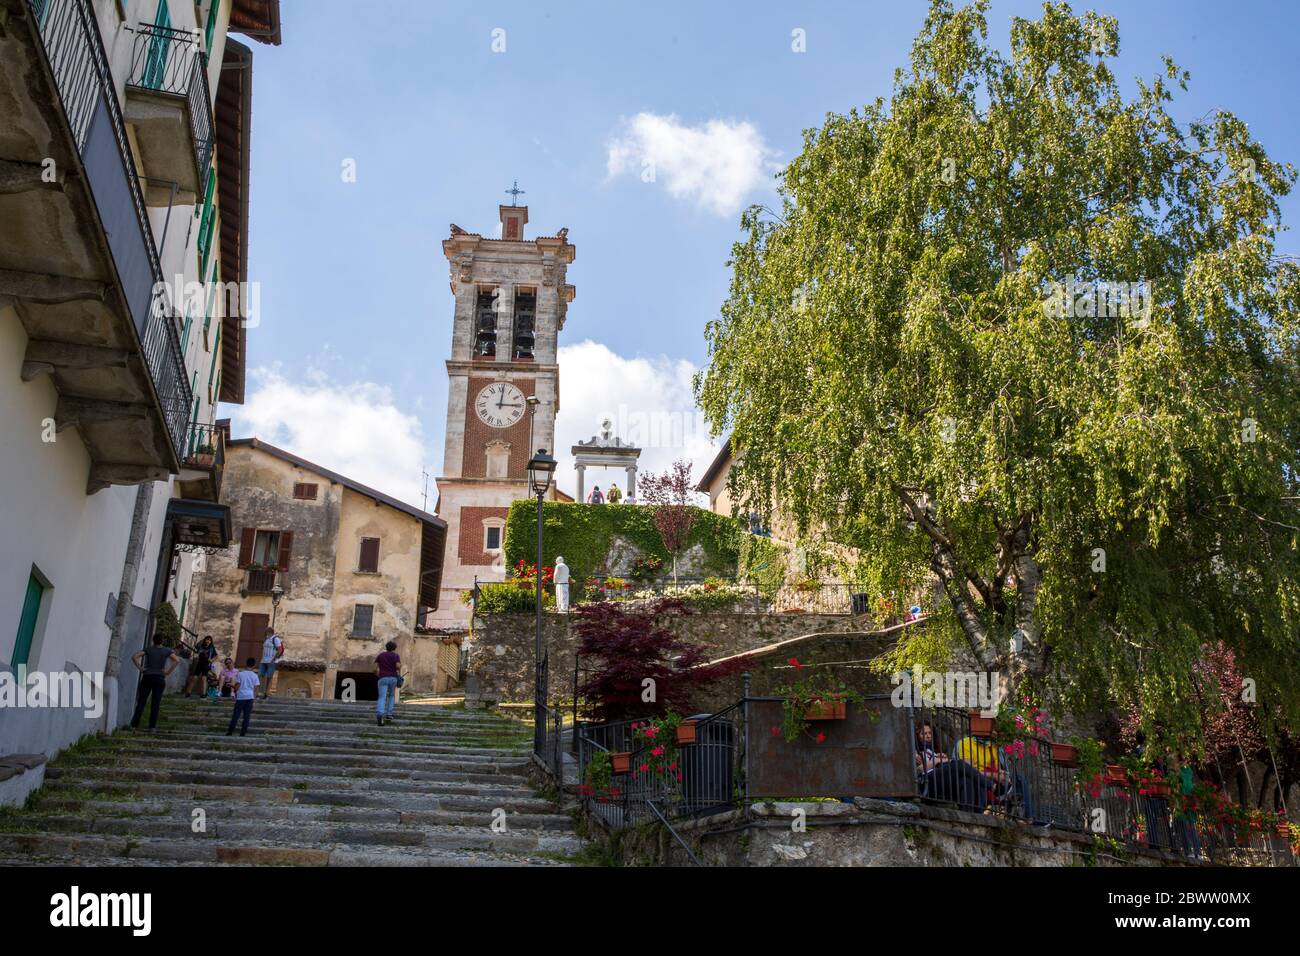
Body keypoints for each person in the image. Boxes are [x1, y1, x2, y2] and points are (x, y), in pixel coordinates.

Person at [915, 721, 994, 813]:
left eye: (929, 733)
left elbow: (942, 763)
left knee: (966, 780)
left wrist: (940, 758)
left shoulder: (933, 751)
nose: (928, 736)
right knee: (959, 764)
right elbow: (919, 770)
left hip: (940, 780)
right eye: (924, 733)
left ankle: (969, 815)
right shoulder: (915, 750)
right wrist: (937, 760)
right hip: (926, 782)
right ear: (917, 735)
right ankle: (990, 784)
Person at [130, 634, 182, 731]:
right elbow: (177, 660)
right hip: (159, 678)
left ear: (153, 641)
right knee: (156, 703)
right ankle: (152, 726)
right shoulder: (167, 650)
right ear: (162, 641)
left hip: (147, 677)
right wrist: (168, 672)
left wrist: (140, 668)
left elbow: (134, 657)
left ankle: (134, 725)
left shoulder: (148, 649)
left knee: (141, 701)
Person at [226, 657, 260, 736]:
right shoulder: (255, 676)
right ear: (254, 665)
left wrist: (231, 686)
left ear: (246, 664)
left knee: (236, 715)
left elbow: (237, 687)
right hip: (250, 697)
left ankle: (230, 732)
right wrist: (254, 698)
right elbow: (256, 688)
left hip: (241, 697)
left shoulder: (241, 674)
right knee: (246, 716)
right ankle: (243, 733)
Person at [375, 641, 402, 726]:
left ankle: (380, 713)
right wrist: (399, 668)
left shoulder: (381, 655)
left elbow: (376, 669)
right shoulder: (395, 656)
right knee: (391, 695)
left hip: (382, 677)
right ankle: (389, 714)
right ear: (394, 648)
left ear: (386, 647)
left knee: (382, 697)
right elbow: (397, 666)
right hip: (392, 678)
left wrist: (379, 675)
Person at [258, 628, 284, 699]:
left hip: (271, 661)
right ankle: (259, 692)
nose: (265, 633)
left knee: (269, 677)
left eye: (266, 632)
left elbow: (279, 650)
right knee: (260, 675)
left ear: (269, 632)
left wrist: (273, 660)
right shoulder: (266, 639)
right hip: (263, 661)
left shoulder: (275, 639)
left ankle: (266, 694)